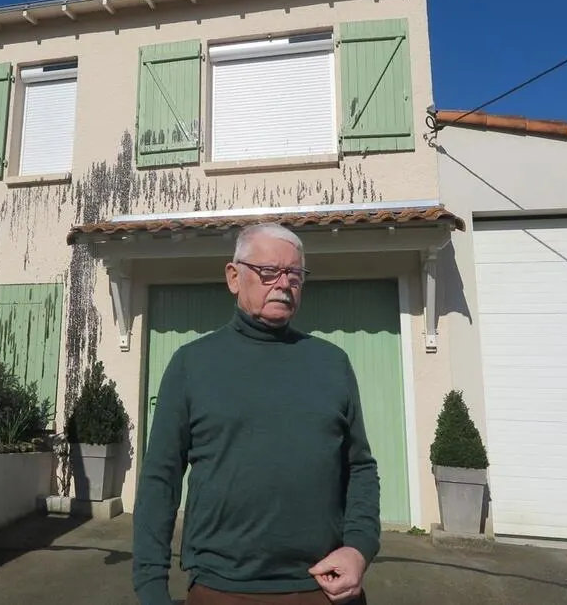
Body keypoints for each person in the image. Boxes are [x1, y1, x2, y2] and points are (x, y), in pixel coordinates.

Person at [132, 222, 381, 605]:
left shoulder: (332, 363)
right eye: (268, 272)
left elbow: (360, 468)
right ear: (234, 277)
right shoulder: (192, 365)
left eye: (294, 274)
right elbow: (160, 480)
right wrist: (151, 588)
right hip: (221, 588)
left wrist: (359, 548)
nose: (283, 284)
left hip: (324, 586)